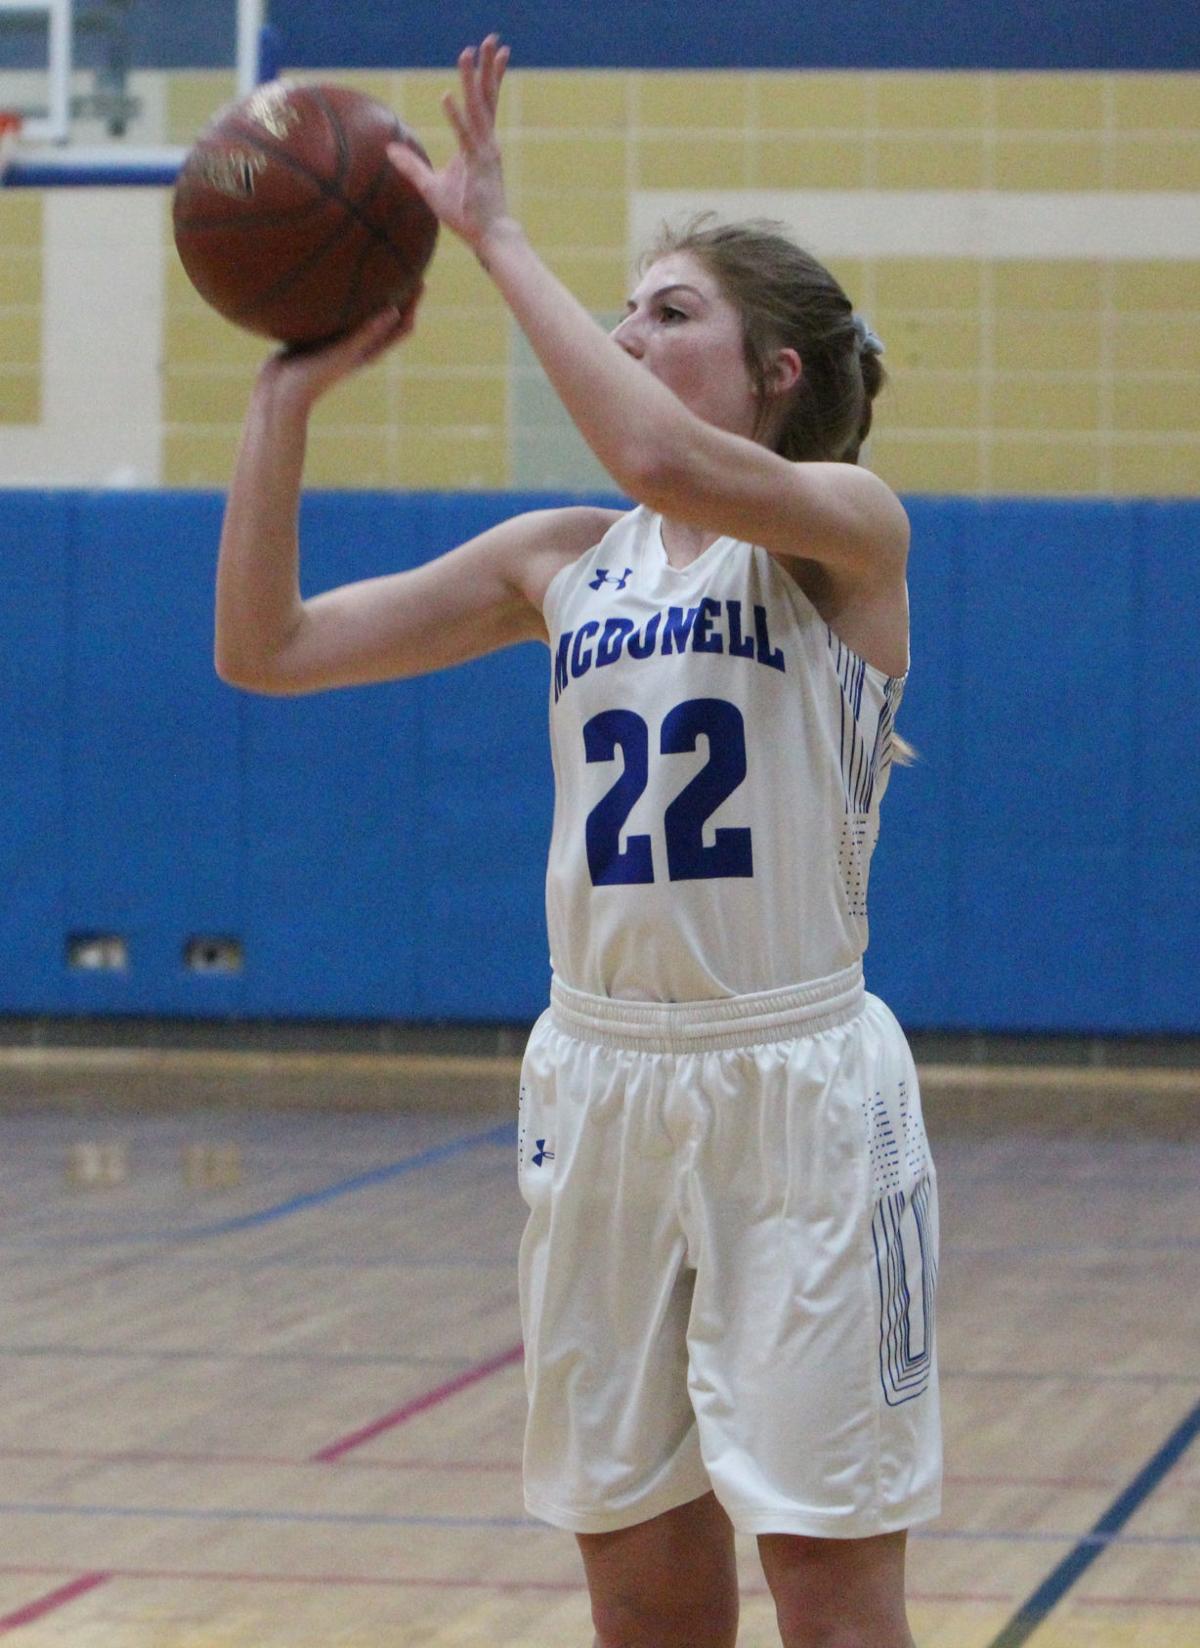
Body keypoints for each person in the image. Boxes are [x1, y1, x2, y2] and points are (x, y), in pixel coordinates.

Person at [214, 36, 940, 1648]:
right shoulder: (561, 560)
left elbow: (661, 457)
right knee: (639, 1594)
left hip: (797, 1089)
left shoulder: (846, 533)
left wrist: (494, 233)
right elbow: (267, 646)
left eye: (672, 311)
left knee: (827, 1593)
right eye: (628, 309)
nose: (628, 333)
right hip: (598, 1084)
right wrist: (282, 398)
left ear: (782, 376)